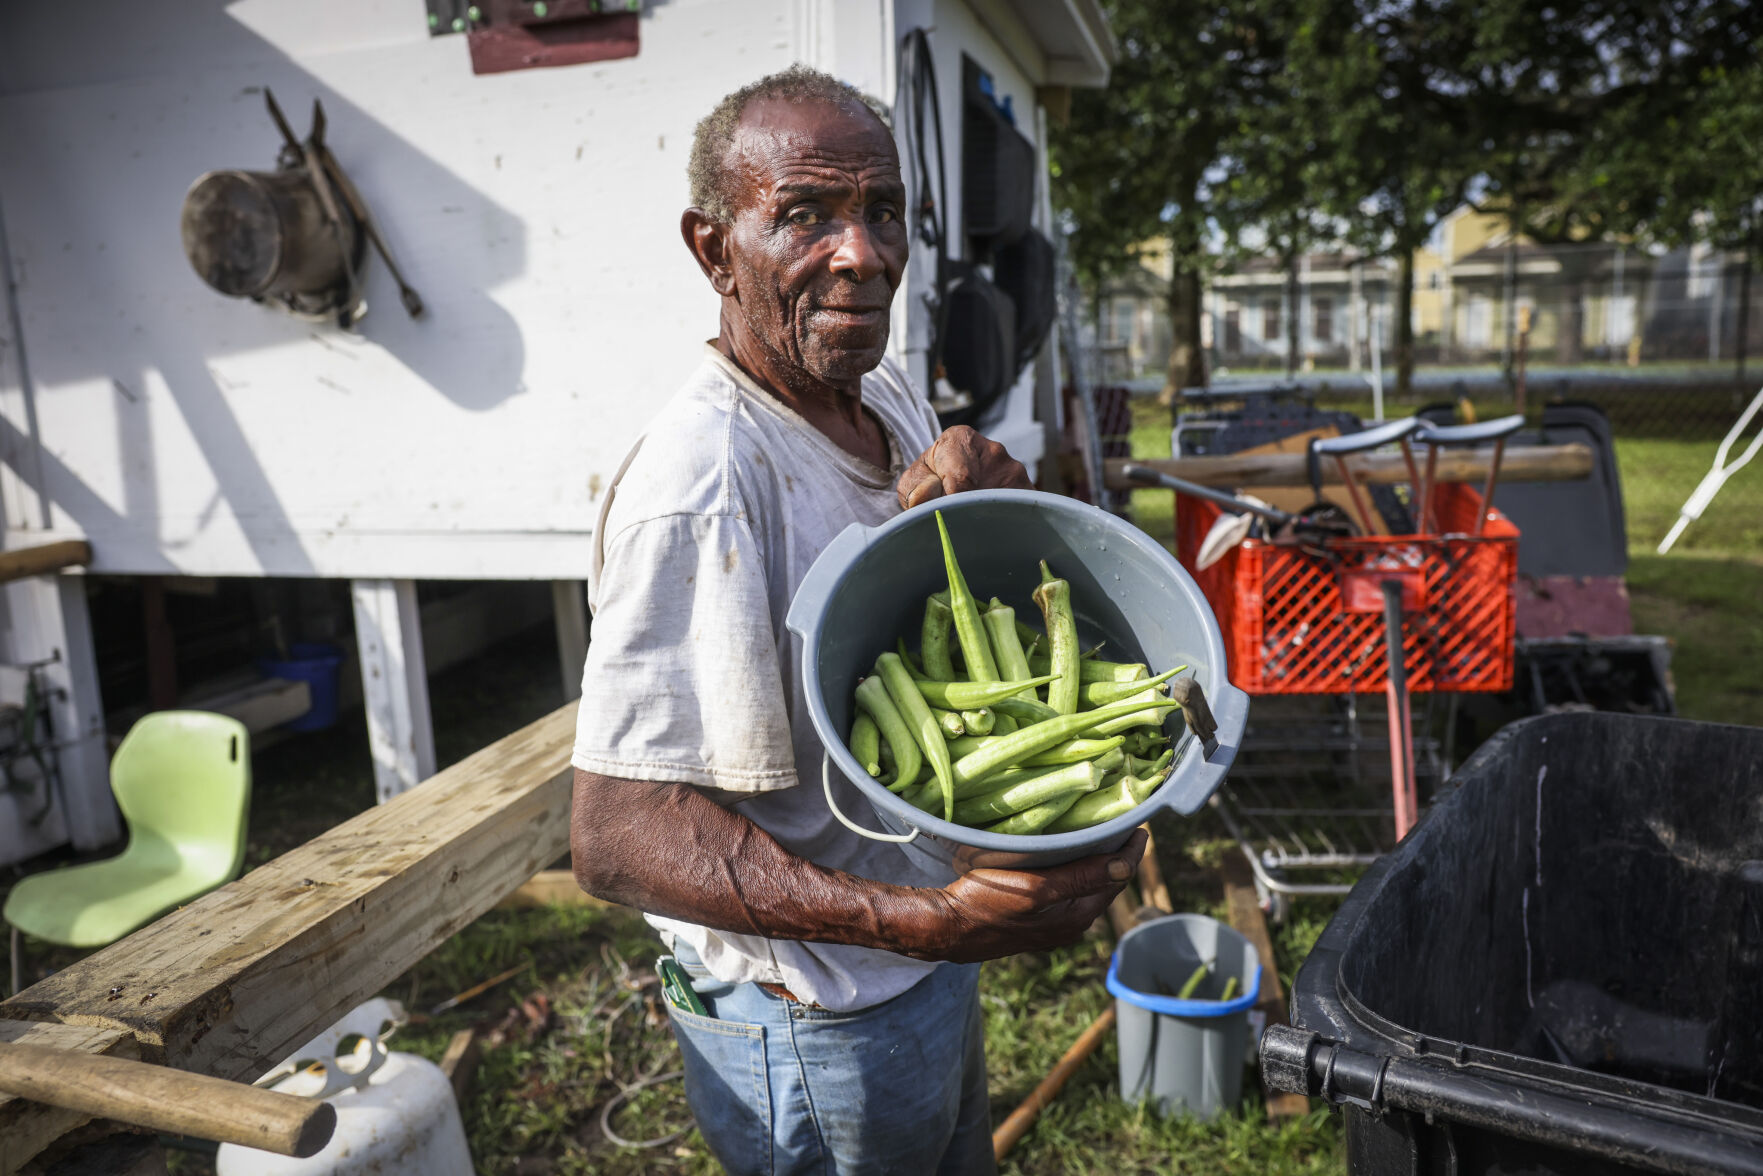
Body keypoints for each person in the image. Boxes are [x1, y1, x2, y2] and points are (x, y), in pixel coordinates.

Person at [570, 65, 1145, 1176]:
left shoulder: (872, 390)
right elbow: (615, 837)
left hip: (915, 955)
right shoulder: (702, 484)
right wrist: (932, 923)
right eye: (803, 216)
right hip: (814, 1015)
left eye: (880, 211)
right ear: (711, 250)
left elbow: (909, 579)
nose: (863, 252)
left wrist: (976, 472)